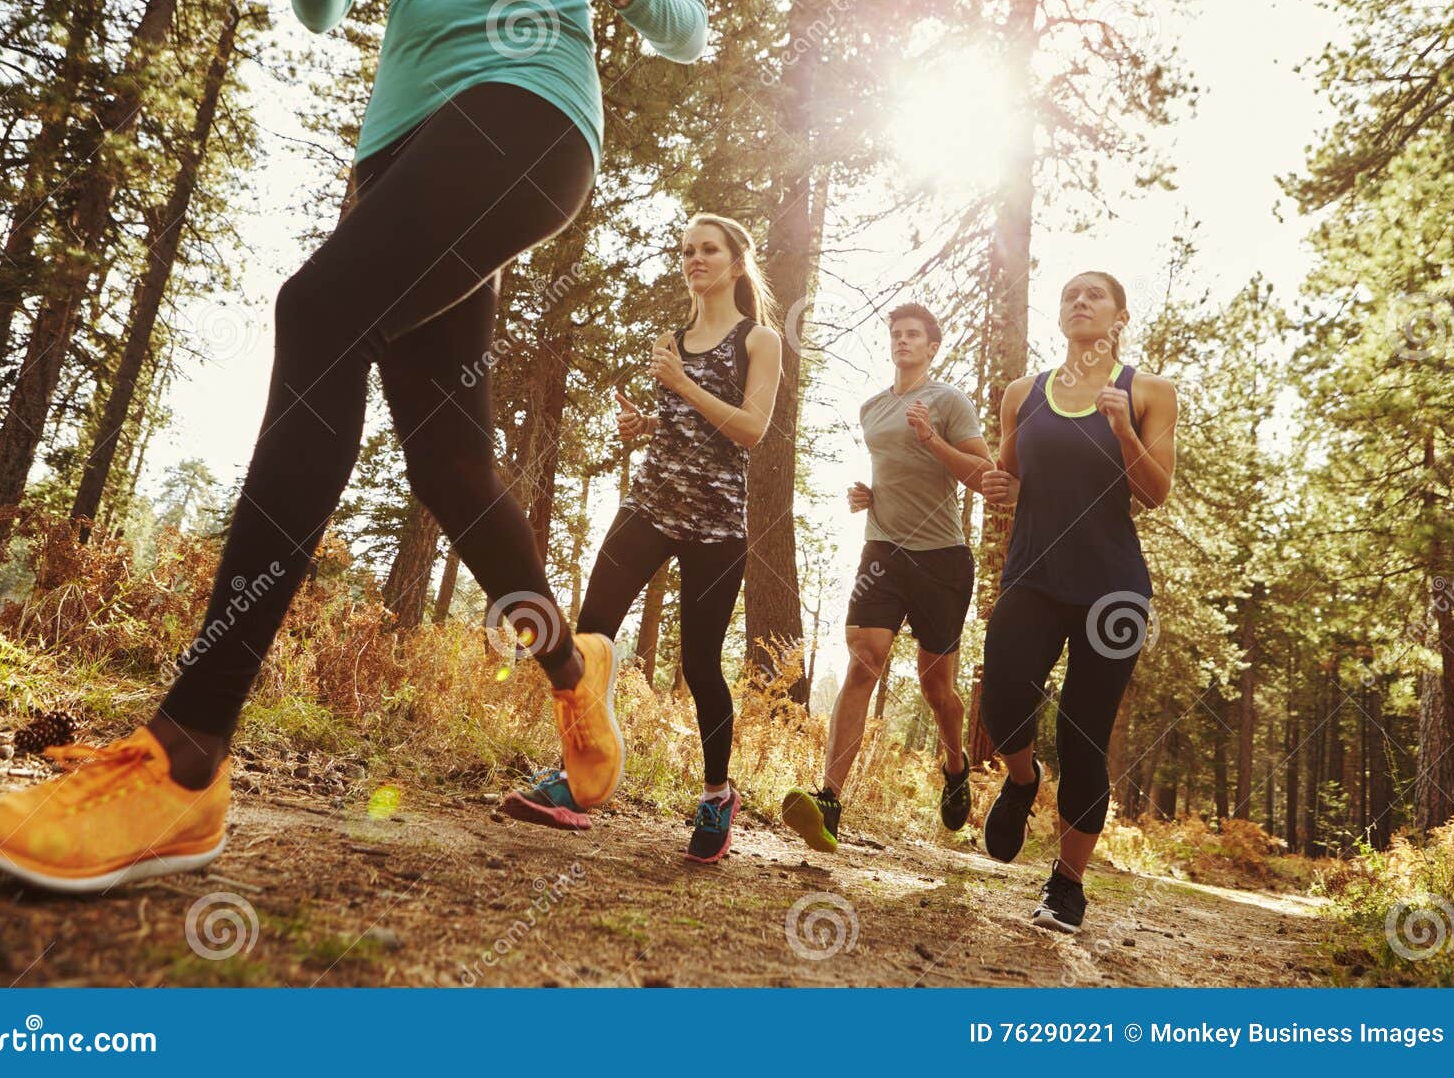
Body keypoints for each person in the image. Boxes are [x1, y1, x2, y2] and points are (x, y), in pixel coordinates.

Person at [0, 0, 709, 893]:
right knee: (448, 464)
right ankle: (572, 666)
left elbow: (689, 28)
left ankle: (185, 756)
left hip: (528, 107)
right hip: (393, 147)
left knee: (318, 313)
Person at [500, 214, 781, 864]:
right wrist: (649, 419)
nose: (694, 258)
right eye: (686, 250)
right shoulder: (671, 338)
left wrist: (680, 386)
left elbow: (751, 429)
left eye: (708, 248)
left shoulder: (759, 341)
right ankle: (575, 778)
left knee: (701, 664)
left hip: (716, 523)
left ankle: (717, 796)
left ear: (736, 263)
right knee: (592, 634)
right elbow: (689, 422)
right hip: (650, 504)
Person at [978, 271, 1177, 932]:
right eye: (1071, 294)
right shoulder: (1022, 393)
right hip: (1032, 575)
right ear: (1060, 315)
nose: (1081, 301)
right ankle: (1022, 775)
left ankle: (1066, 885)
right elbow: (1007, 474)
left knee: (1083, 736)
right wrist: (997, 484)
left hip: (1113, 588)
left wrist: (1122, 434)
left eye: (1096, 294)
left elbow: (1156, 494)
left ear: (1120, 317)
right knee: (1005, 697)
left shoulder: (1147, 392)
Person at [781, 303, 993, 853]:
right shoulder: (873, 407)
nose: (902, 341)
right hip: (884, 552)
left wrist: (933, 440)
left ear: (932, 346)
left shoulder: (949, 401)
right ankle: (829, 798)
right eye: (896, 334)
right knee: (864, 662)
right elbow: (896, 473)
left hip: (942, 558)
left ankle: (954, 764)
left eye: (913, 335)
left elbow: (983, 476)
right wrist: (871, 497)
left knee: (935, 686)